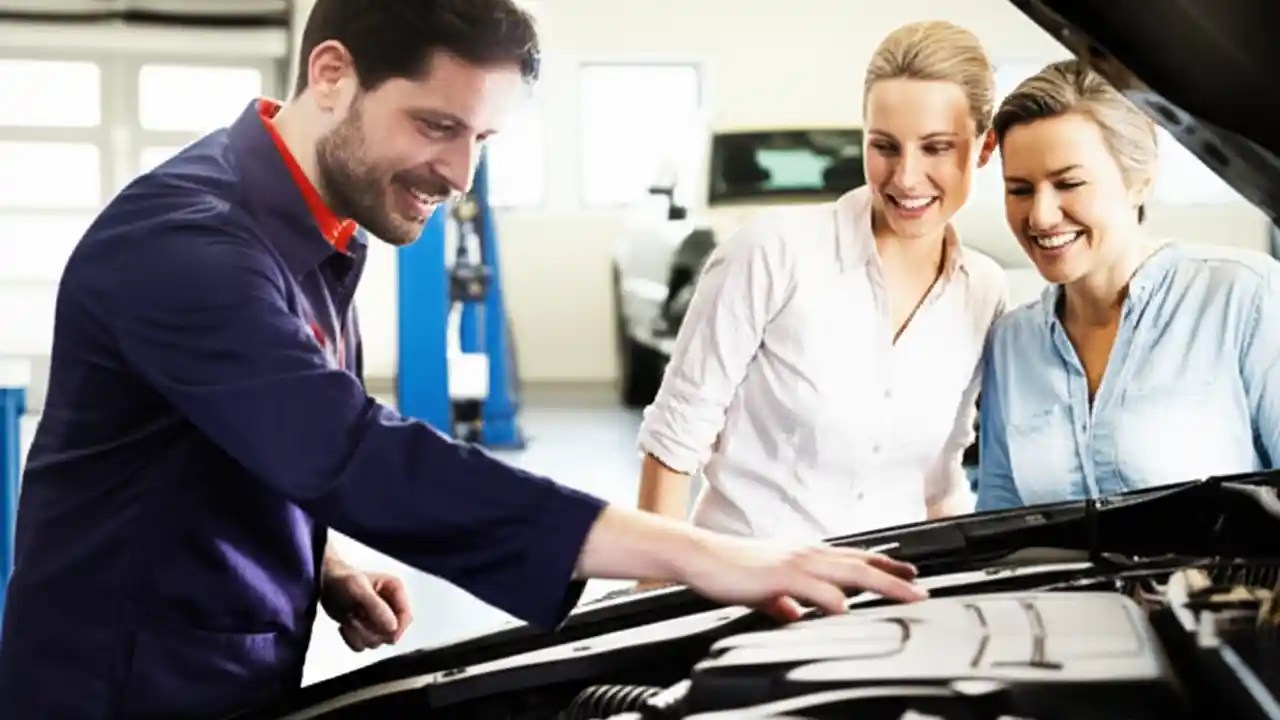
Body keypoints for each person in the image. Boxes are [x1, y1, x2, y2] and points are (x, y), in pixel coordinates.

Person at [0, 2, 930, 718]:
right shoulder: (185, 242)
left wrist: (315, 562)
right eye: (437, 125)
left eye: (483, 138)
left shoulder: (310, 219)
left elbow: (239, 429)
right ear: (332, 74)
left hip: (215, 656)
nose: (461, 175)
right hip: (117, 689)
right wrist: (706, 553)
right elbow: (351, 450)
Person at [635, 21, 1009, 543]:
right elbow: (674, 440)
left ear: (985, 147)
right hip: (746, 590)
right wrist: (657, 590)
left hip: (887, 598)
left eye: (936, 148)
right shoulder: (772, 252)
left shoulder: (984, 291)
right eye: (885, 146)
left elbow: (939, 484)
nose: (905, 176)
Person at [974, 59, 1280, 510]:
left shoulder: (1245, 296)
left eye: (1069, 183)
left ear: (1140, 180)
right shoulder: (1011, 341)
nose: (1040, 215)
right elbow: (1001, 520)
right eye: (1020, 189)